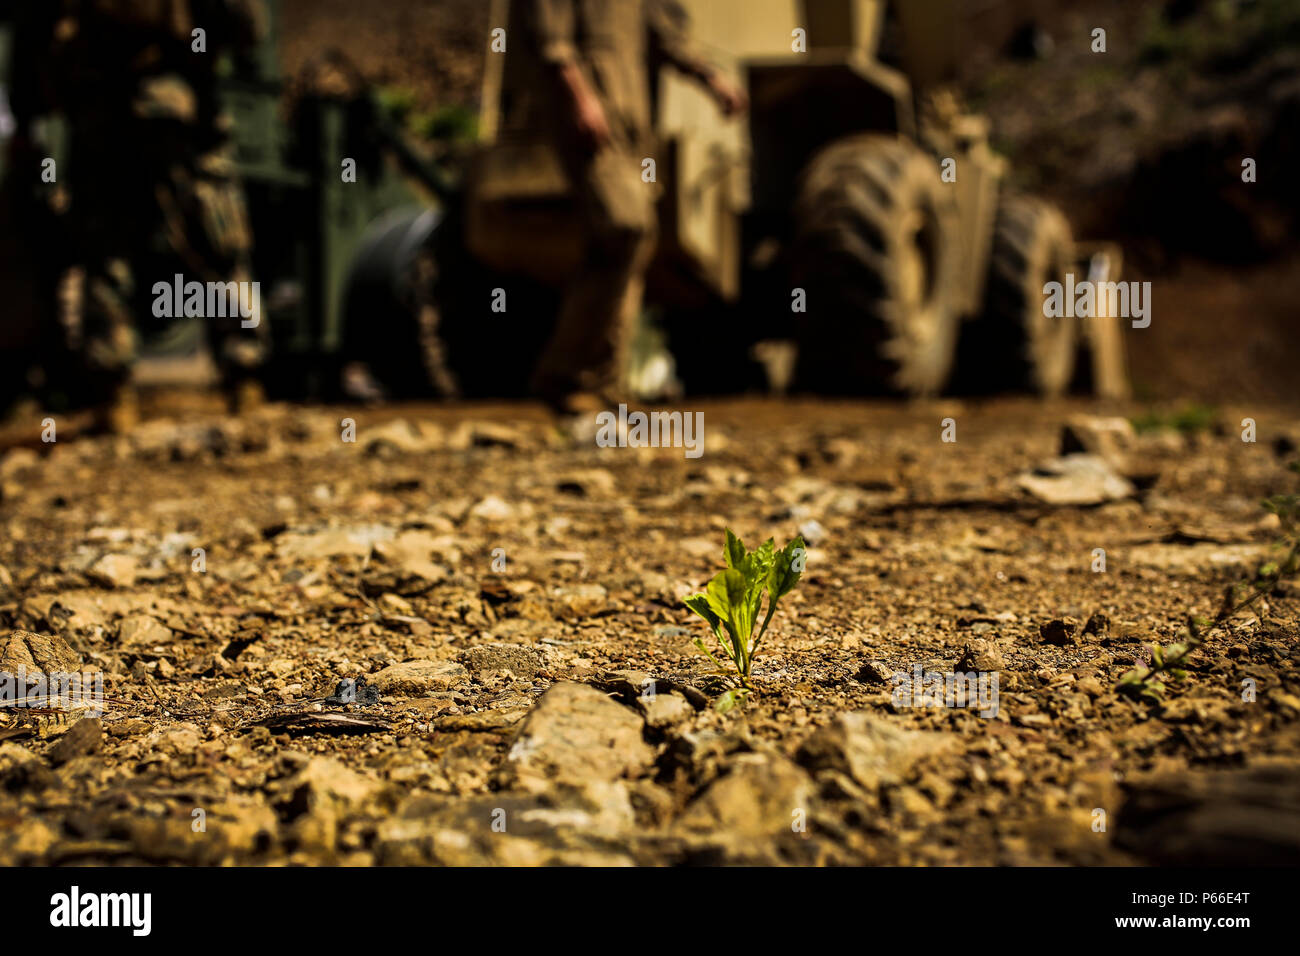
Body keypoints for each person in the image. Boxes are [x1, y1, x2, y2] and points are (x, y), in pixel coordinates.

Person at [46, 0, 268, 430]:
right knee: (216, 244)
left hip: (103, 115)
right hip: (176, 109)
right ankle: (244, 378)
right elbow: (246, 27)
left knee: (108, 254)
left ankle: (115, 393)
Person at [520, 0, 747, 413]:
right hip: (588, 112)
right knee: (625, 226)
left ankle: (603, 381)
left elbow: (666, 35)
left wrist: (711, 79)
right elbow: (550, 37)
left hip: (631, 117)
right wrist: (578, 95)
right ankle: (563, 374)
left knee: (629, 244)